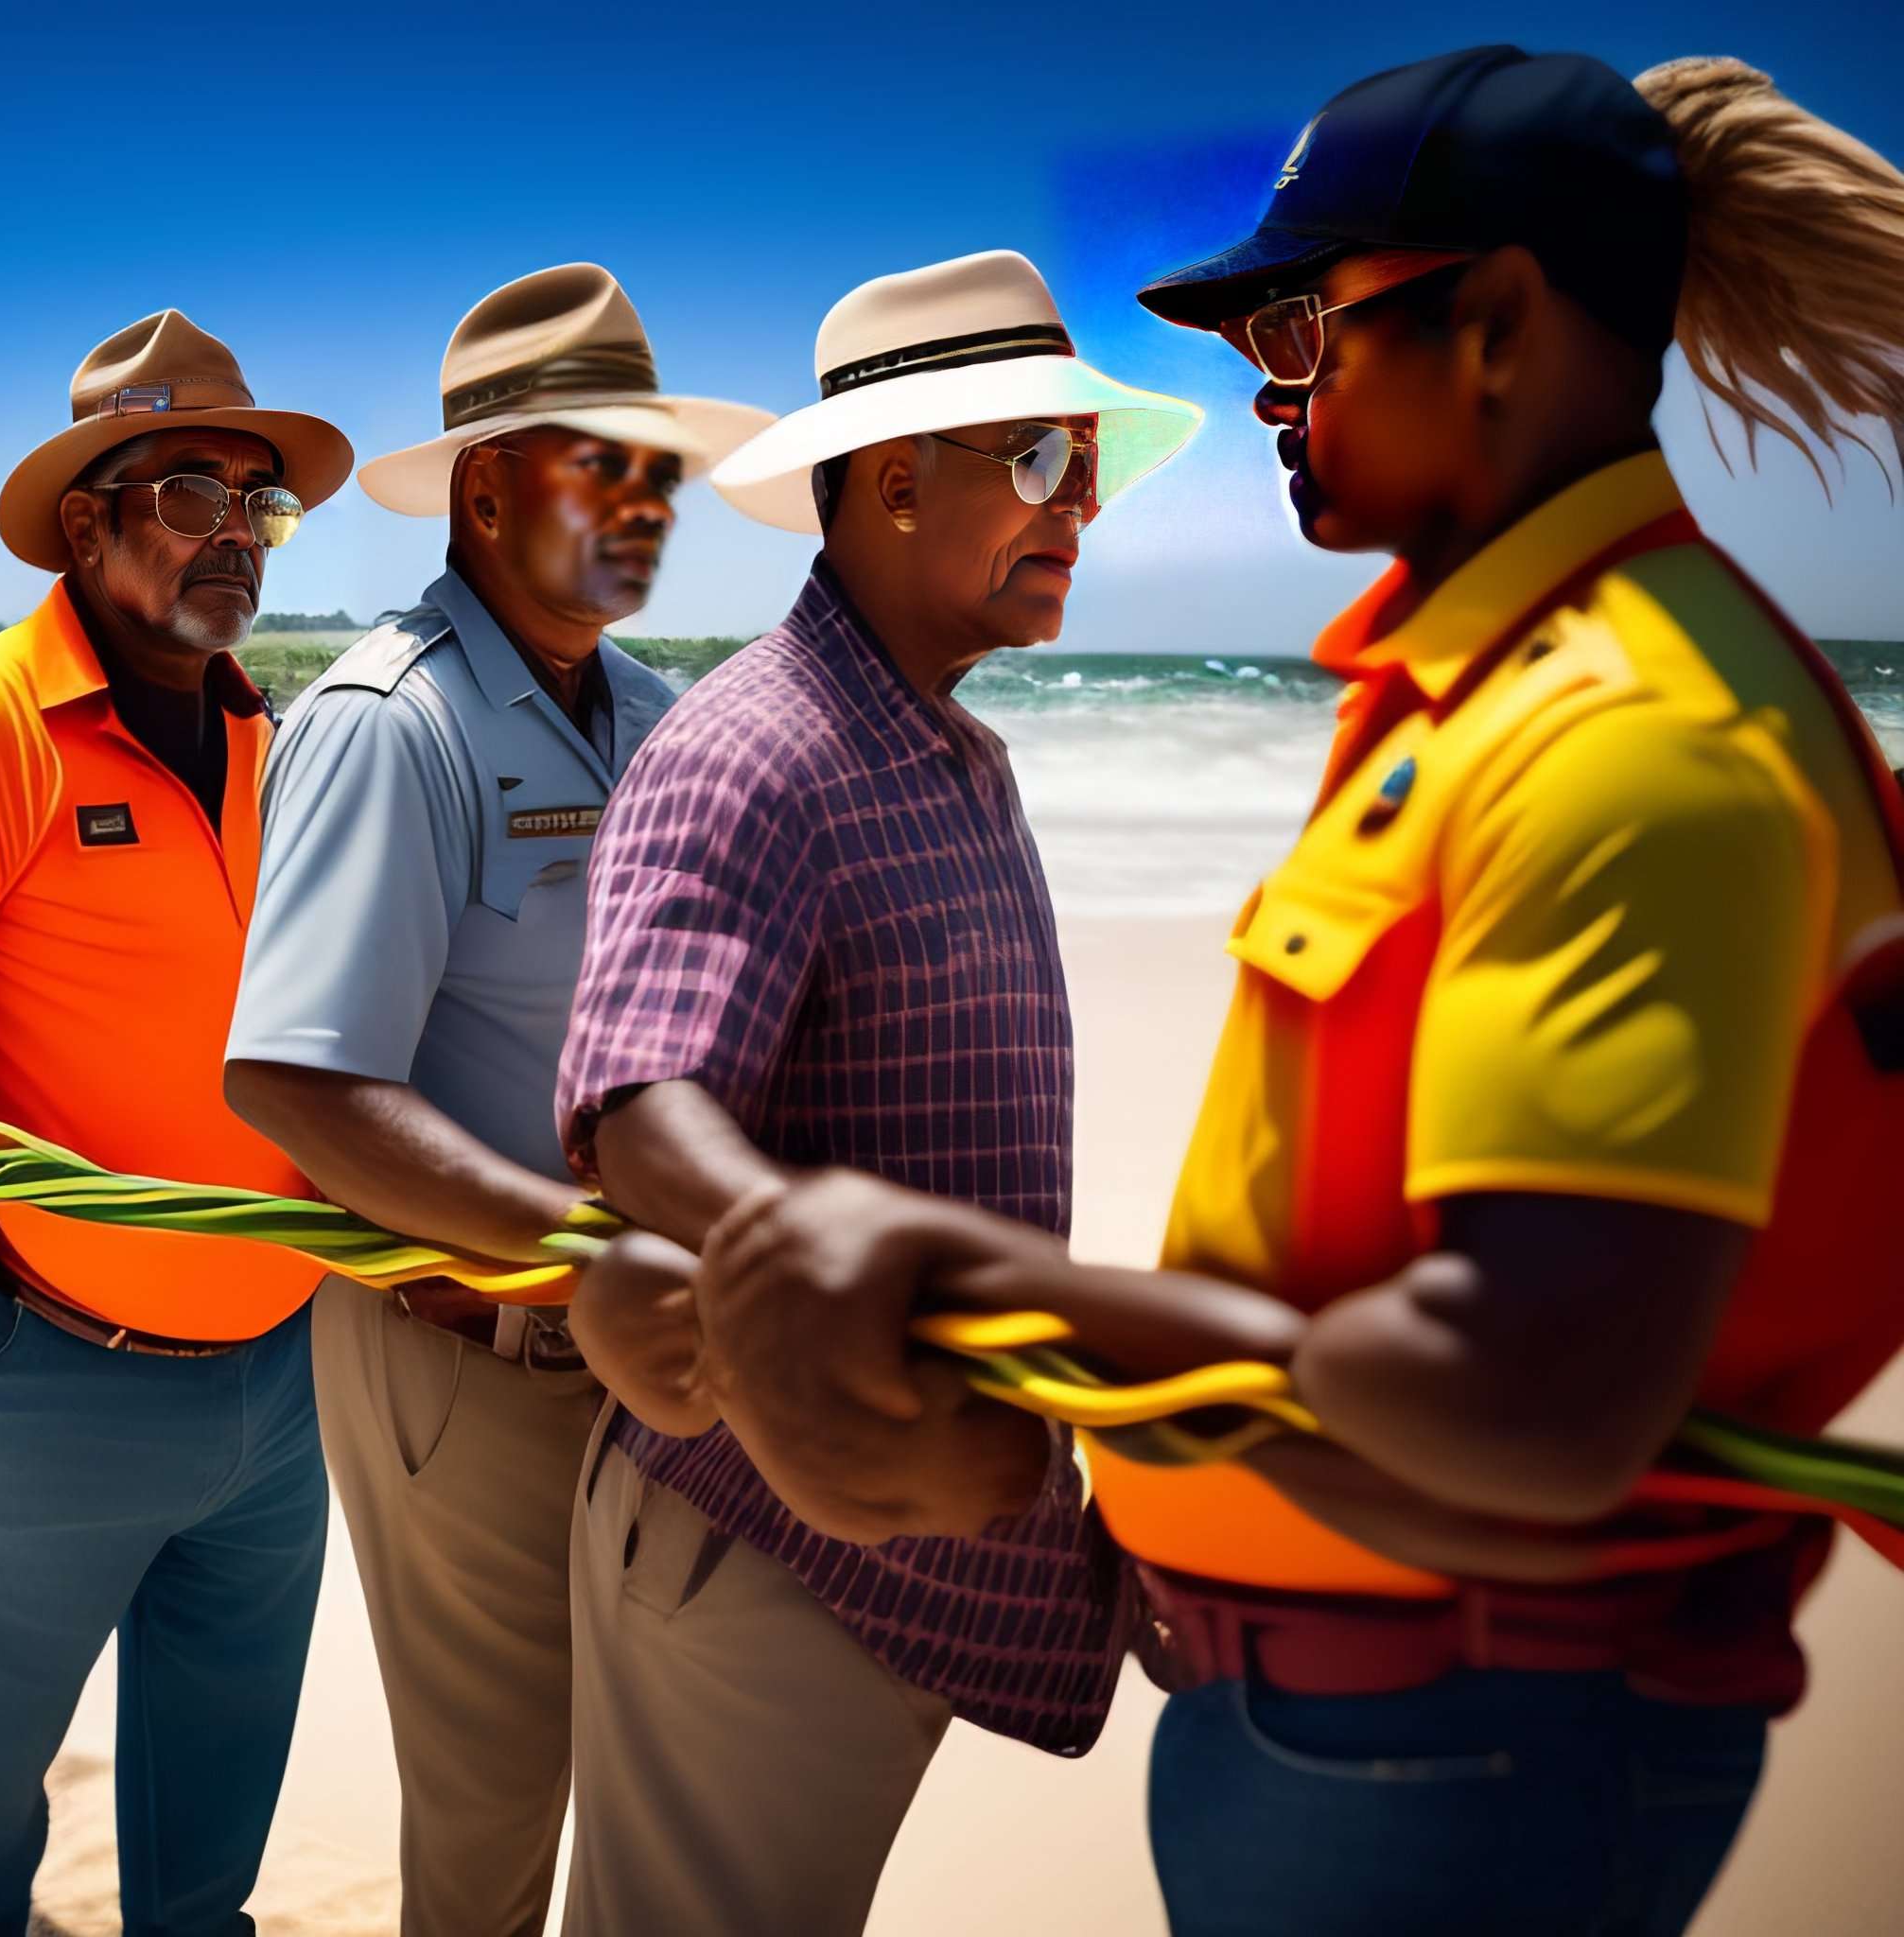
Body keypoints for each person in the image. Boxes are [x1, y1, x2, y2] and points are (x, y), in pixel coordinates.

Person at [674, 50, 1904, 1937]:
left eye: (1303, 323)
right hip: (1363, 1707)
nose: (1264, 385)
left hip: (1465, 1739)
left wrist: (959, 1271)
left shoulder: (1629, 738)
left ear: (1496, 321)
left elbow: (1534, 1395)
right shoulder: (1483, 696)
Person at [549, 251, 1200, 1935]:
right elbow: (641, 1102)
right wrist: (797, 1241)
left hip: (890, 1537)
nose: (1085, 509)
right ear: (898, 483)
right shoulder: (752, 745)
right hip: (762, 1543)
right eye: (1044, 462)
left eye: (1094, 464)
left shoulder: (945, 750)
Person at [0, 311, 349, 1936]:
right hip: (18, 1383)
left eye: (259, 505)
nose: (235, 534)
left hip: (268, 1394)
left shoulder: (270, 735)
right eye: (192, 493)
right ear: (87, 520)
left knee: (203, 1877)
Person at [222, 264, 768, 1937]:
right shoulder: (392, 721)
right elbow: (297, 1082)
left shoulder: (663, 713)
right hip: (468, 1348)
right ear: (481, 490)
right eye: (598, 463)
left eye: (657, 472)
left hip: (649, 1352)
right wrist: (592, 1250)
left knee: (657, 1789)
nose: (644, 509)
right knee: (488, 1825)